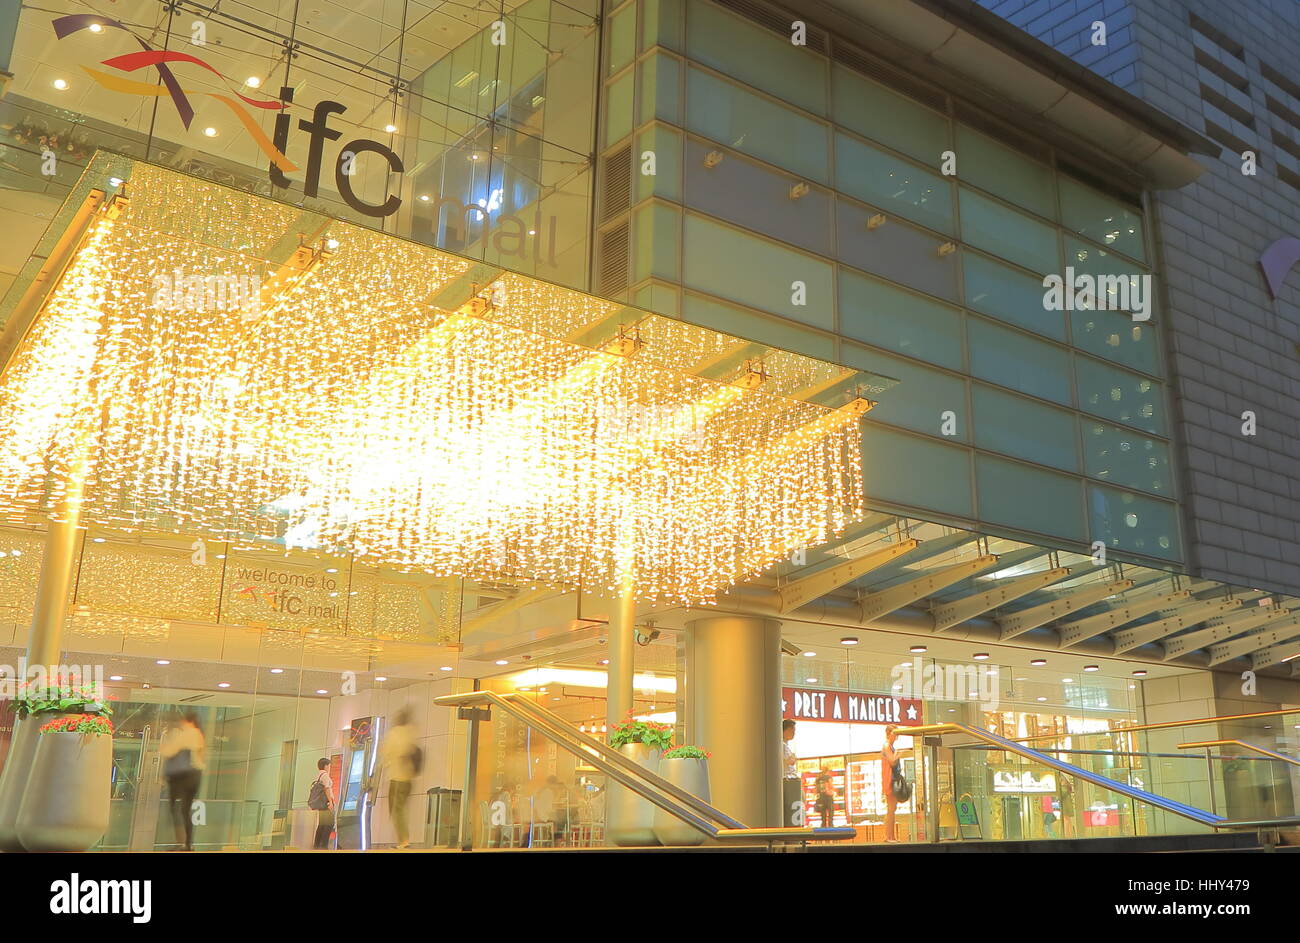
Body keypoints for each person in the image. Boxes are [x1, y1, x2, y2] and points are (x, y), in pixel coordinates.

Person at [159, 711, 205, 851]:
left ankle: (181, 842)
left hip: (183, 777)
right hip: (195, 776)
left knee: (175, 807)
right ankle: (187, 843)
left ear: (187, 720)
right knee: (185, 809)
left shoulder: (188, 732)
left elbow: (168, 751)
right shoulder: (198, 734)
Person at [380, 708, 419, 848]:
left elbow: (386, 754)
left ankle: (403, 841)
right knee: (402, 808)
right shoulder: (410, 733)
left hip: (396, 777)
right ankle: (404, 840)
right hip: (409, 779)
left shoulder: (393, 734)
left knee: (397, 810)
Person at [309, 758, 335, 850]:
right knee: (329, 824)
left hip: (320, 804)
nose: (329, 767)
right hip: (326, 803)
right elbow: (327, 789)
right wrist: (330, 802)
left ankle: (317, 845)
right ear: (325, 765)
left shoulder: (318, 775)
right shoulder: (325, 775)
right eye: (329, 765)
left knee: (322, 824)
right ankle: (323, 846)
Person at [881, 724, 901, 843]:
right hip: (889, 780)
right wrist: (898, 754)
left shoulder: (890, 746)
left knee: (892, 808)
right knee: (891, 808)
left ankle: (891, 836)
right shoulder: (886, 745)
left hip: (891, 779)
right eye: (895, 734)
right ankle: (888, 836)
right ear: (889, 733)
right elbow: (892, 761)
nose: (897, 736)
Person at [782, 719, 802, 826]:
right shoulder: (782, 746)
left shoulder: (785, 746)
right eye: (792, 730)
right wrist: (793, 757)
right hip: (789, 782)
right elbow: (790, 761)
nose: (794, 733)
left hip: (791, 782)